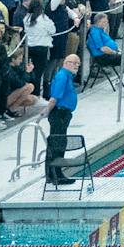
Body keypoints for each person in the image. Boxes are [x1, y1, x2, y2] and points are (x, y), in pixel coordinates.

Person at [44, 53, 79, 187]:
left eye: (78, 64)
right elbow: (55, 97)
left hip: (64, 113)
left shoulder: (68, 76)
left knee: (59, 143)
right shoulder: (62, 76)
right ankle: (54, 174)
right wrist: (46, 111)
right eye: (74, 63)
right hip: (59, 113)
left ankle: (55, 174)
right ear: (66, 63)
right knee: (57, 144)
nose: (76, 66)